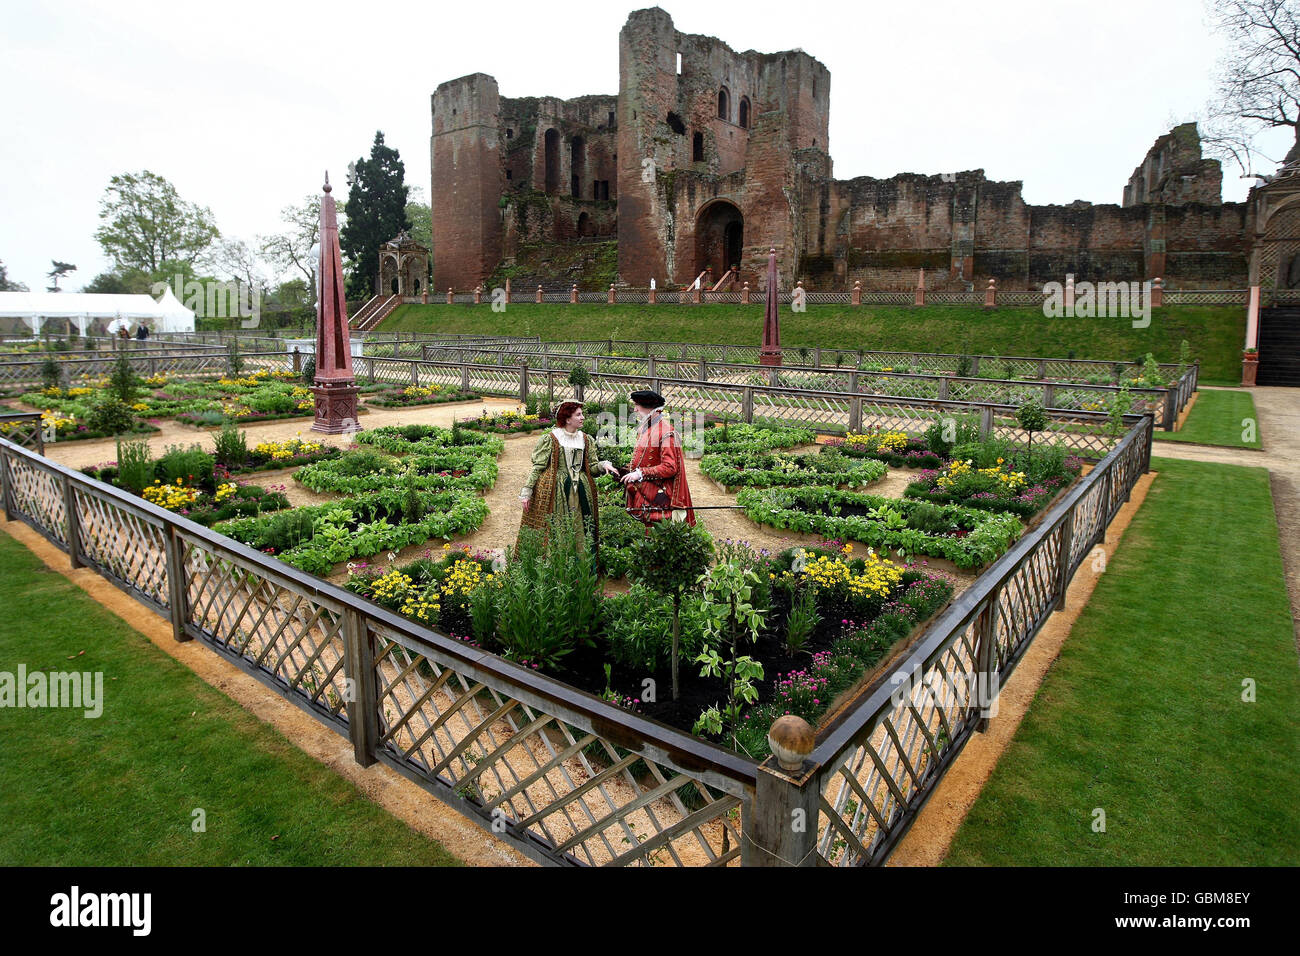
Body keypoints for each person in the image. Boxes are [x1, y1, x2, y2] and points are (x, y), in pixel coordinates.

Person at [518, 401, 618, 553]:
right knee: (558, 526)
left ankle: (580, 567)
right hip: (558, 491)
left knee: (581, 525)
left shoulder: (586, 439)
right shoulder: (552, 439)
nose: (583, 417)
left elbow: (591, 467)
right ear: (567, 419)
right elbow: (538, 467)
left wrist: (603, 465)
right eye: (578, 415)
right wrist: (527, 491)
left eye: (582, 414)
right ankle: (559, 568)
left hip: (581, 492)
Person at [621, 389, 696, 527]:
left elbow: (670, 467)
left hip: (659, 494)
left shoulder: (666, 432)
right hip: (644, 493)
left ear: (651, 409)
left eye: (638, 405)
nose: (635, 410)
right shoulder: (647, 428)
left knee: (658, 534)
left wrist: (640, 473)